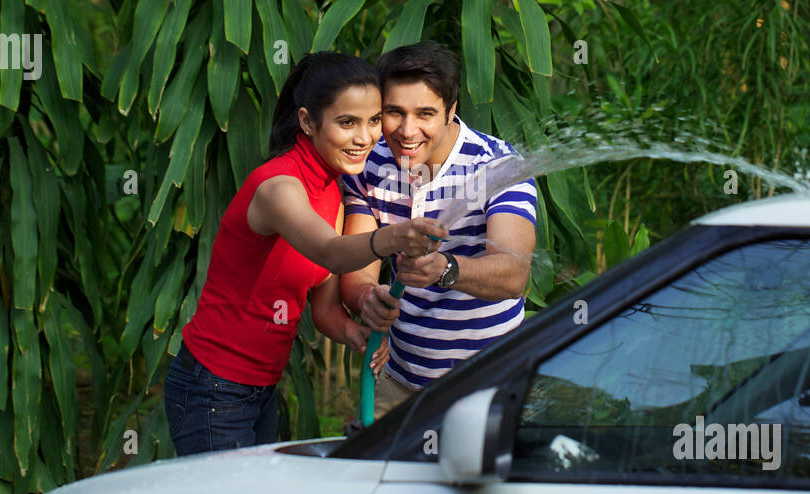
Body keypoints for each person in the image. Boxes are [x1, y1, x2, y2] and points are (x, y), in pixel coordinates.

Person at [166, 52, 446, 455]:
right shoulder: (279, 188)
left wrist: (356, 333)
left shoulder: (332, 192)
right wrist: (396, 237)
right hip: (212, 387)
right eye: (347, 122)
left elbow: (325, 309)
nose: (365, 137)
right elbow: (331, 252)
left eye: (372, 121)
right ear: (308, 121)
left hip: (257, 388)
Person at [340, 41, 538, 418]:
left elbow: (514, 272)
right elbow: (356, 262)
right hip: (399, 382)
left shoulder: (498, 166)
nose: (407, 130)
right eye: (394, 112)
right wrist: (366, 297)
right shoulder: (369, 163)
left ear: (451, 111)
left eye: (425, 113)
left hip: (488, 387)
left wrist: (447, 269)